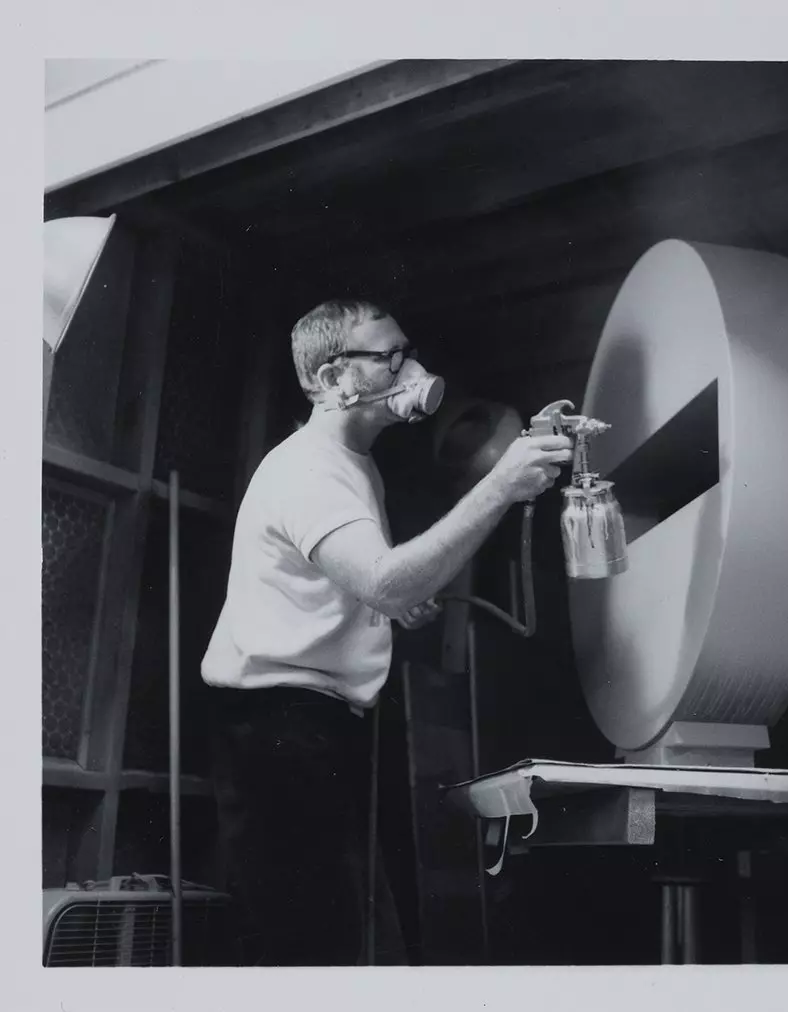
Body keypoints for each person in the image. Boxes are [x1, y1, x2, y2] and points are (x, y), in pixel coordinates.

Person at [201, 298, 572, 966]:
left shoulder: (353, 463)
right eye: (389, 357)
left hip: (315, 722)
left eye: (407, 350)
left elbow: (357, 583)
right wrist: (499, 486)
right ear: (331, 381)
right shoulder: (310, 472)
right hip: (278, 727)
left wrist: (389, 606)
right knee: (304, 941)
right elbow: (384, 578)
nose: (413, 368)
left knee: (331, 932)